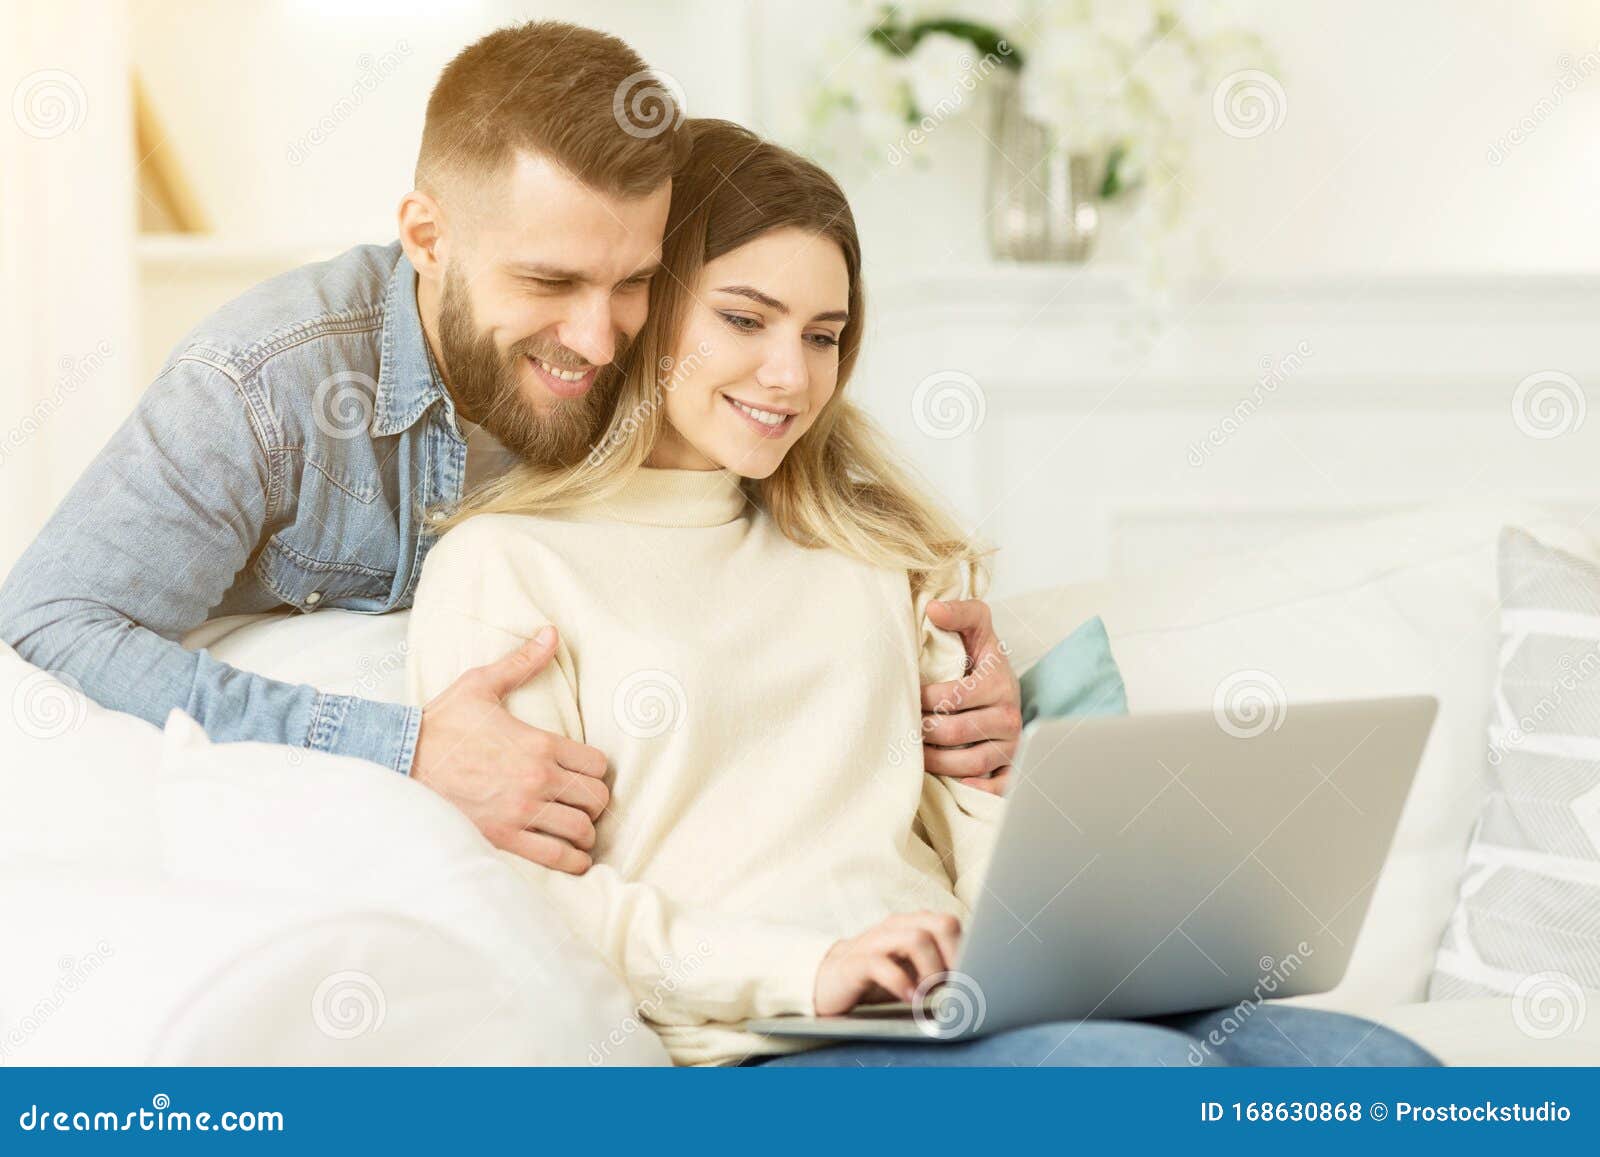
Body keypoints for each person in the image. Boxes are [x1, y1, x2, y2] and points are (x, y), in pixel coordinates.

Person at [404, 118, 1439, 1068]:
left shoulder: (878, 551)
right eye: (744, 318)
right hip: (760, 1046)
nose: (788, 375)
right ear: (644, 308)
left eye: (821, 334)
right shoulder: (509, 564)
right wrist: (810, 969)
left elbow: (973, 834)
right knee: (1140, 1078)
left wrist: (1054, 926)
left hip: (960, 1008)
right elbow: (525, 900)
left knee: (1372, 1064)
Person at [0, 21, 1023, 874]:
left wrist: (955, 685)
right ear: (427, 236)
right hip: (262, 820)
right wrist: (402, 748)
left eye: (632, 281)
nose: (595, 336)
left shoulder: (641, 345)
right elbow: (49, 623)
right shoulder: (268, 382)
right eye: (548, 283)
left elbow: (802, 460)